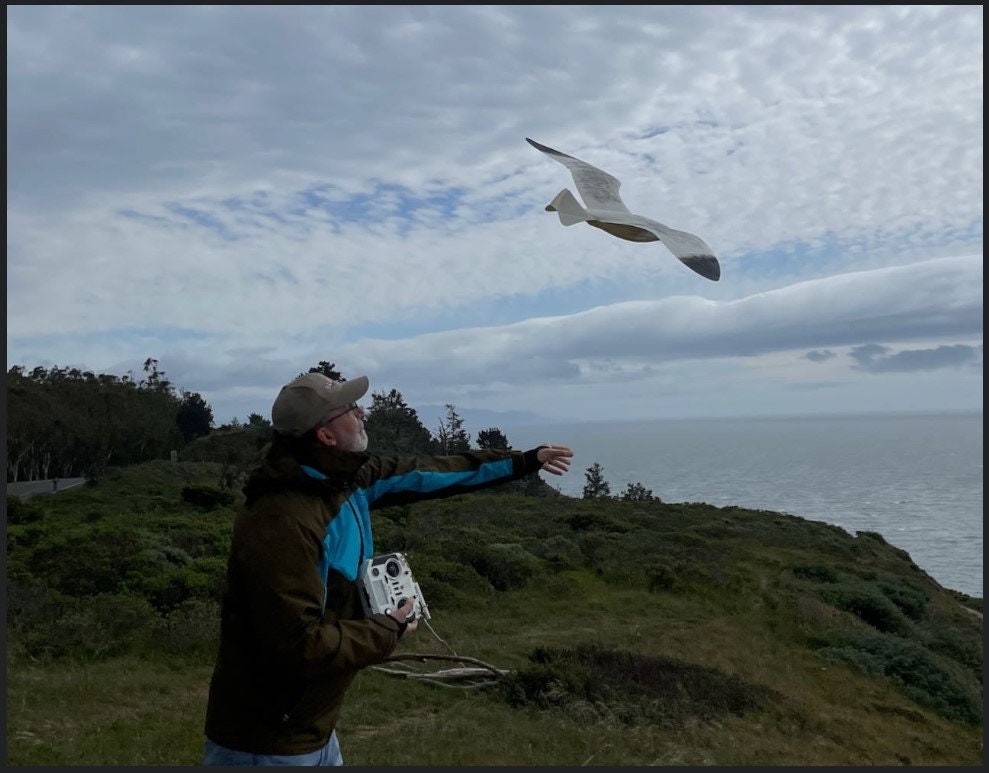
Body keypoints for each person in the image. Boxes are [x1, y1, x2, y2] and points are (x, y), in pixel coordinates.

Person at [203, 371, 573, 766]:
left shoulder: (345, 479)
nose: (362, 412)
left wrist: (523, 462)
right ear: (326, 436)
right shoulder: (282, 521)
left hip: (311, 727)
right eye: (348, 408)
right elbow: (297, 646)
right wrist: (387, 628)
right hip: (267, 740)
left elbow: (429, 471)